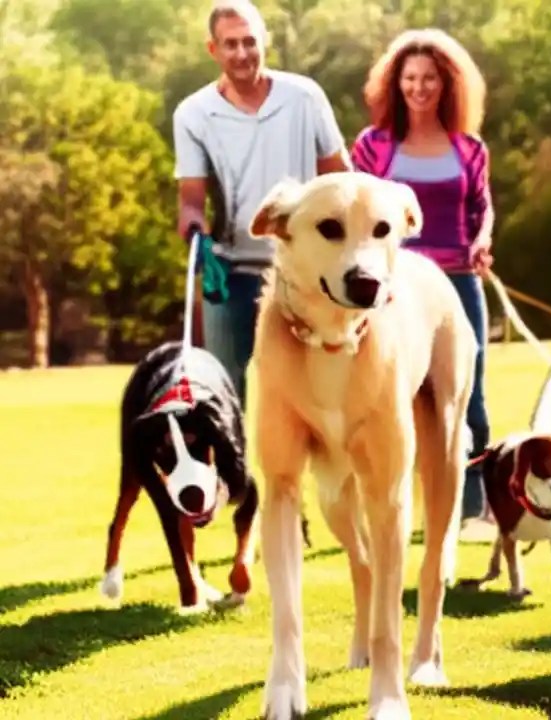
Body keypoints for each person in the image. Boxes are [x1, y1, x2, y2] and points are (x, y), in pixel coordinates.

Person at [351, 28, 496, 540]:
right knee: (386, 398)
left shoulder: (469, 148)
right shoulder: (373, 147)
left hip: (457, 284)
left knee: (469, 399)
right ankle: (381, 503)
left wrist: (481, 241)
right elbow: (359, 211)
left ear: (447, 84)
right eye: (410, 78)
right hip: (398, 292)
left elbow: (483, 208)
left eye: (429, 78)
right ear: (396, 84)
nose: (419, 87)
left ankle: (475, 507)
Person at [172, 0, 349, 405]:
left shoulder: (305, 97)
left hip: (305, 274)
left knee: (319, 390)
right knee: (224, 388)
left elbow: (340, 179)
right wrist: (193, 227)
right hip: (232, 271)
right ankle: (234, 470)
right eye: (230, 44)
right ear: (212, 50)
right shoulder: (193, 114)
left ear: (264, 41)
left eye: (250, 42)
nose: (241, 53)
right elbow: (191, 198)